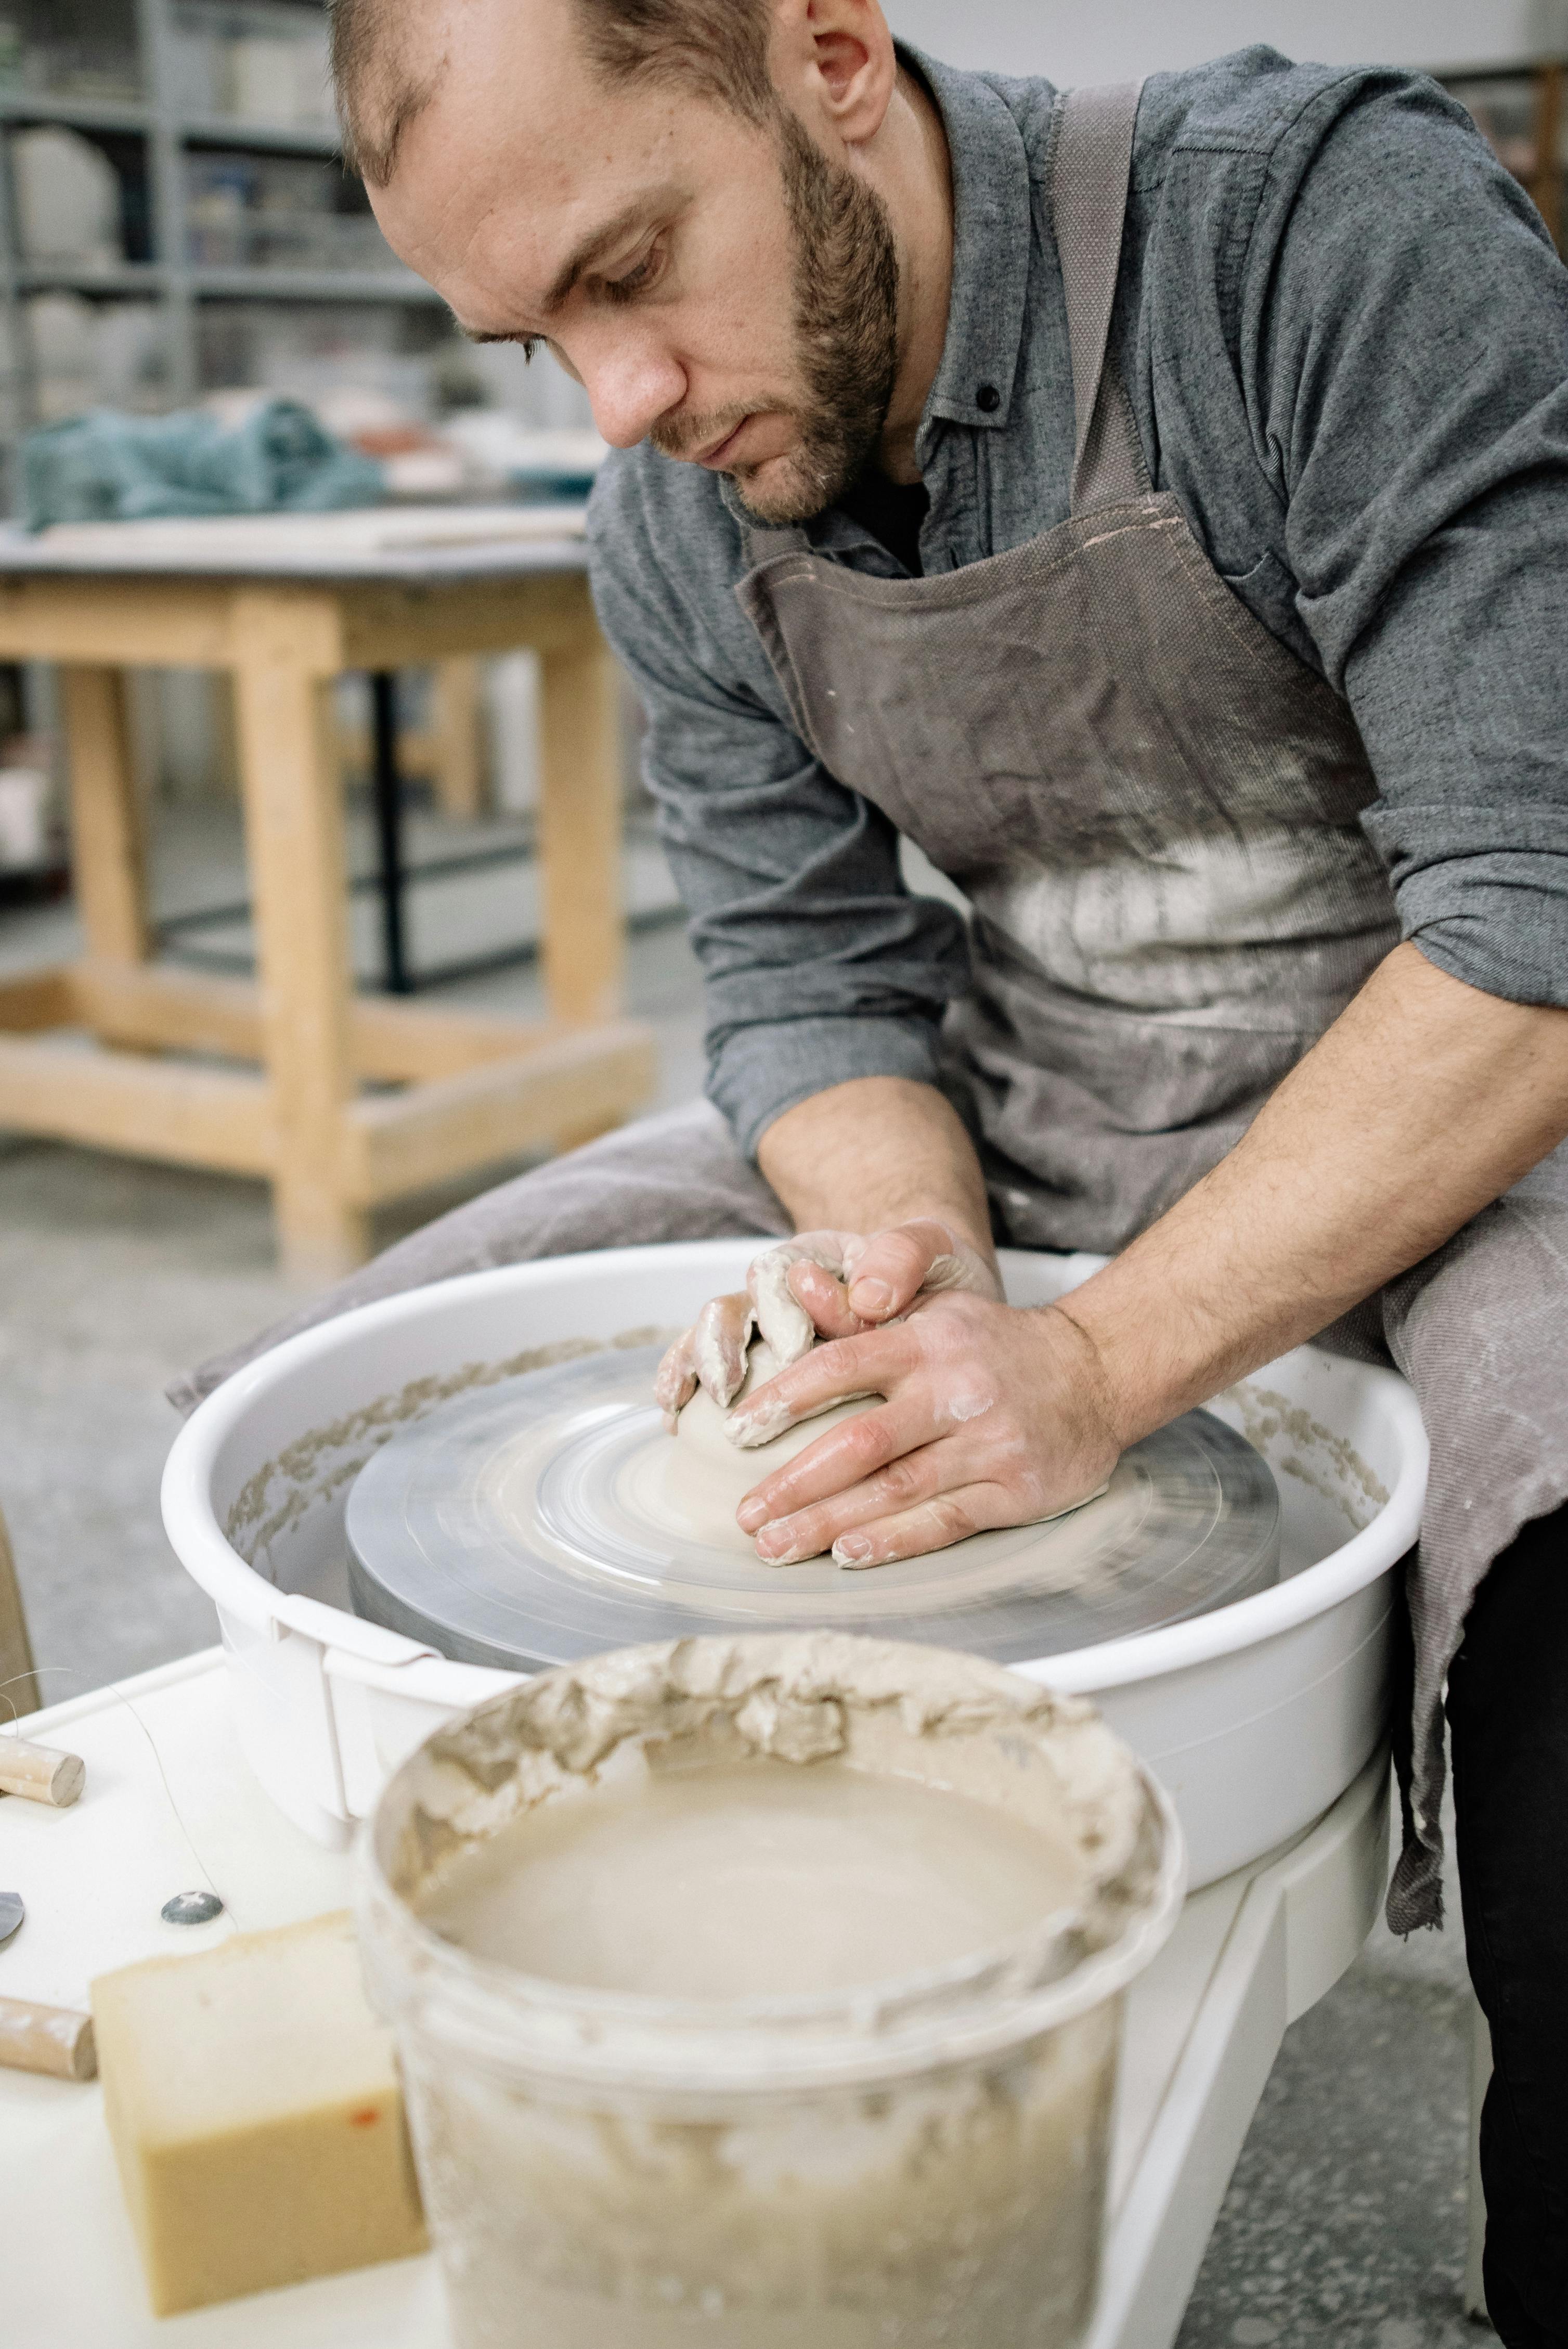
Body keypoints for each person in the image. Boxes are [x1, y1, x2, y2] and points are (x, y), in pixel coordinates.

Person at [180, 3, 1568, 2333]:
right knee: (346, 1404)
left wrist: (1093, 1363)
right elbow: (807, 981)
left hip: (1464, 1097)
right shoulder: (672, 505)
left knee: (1561, 1517)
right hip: (1038, 1093)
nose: (615, 399)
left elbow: (1535, 916)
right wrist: (900, 1264)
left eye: (632, 268)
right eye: (534, 339)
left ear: (826, 53)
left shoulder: (1314, 240)